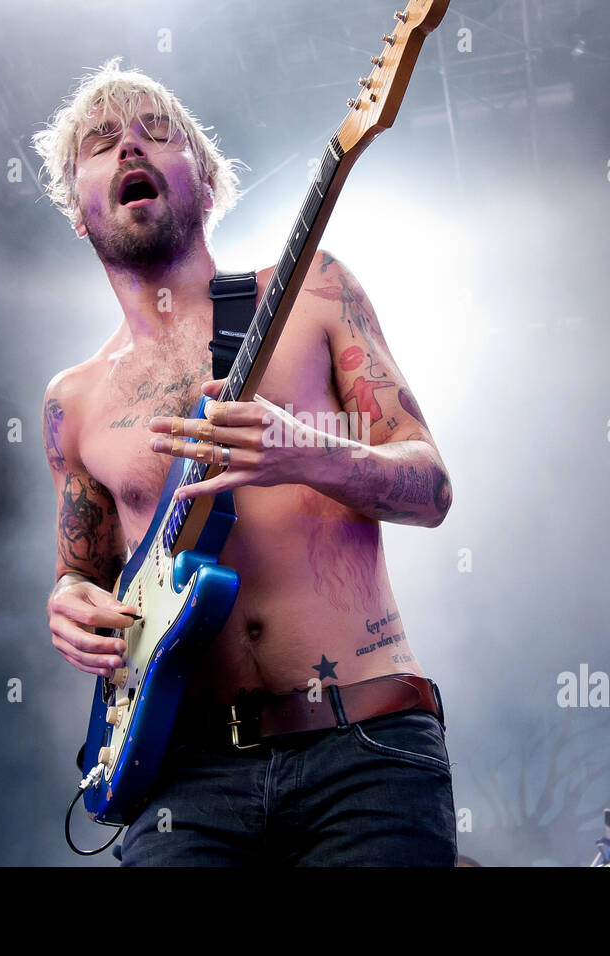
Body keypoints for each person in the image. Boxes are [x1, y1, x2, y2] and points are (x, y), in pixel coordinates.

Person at [32, 60, 456, 866]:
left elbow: (431, 488)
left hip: (362, 750)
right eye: (101, 142)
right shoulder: (72, 403)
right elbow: (80, 573)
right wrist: (67, 606)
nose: (129, 148)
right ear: (78, 212)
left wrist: (305, 453)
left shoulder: (313, 293)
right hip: (184, 784)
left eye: (158, 133)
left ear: (206, 180)